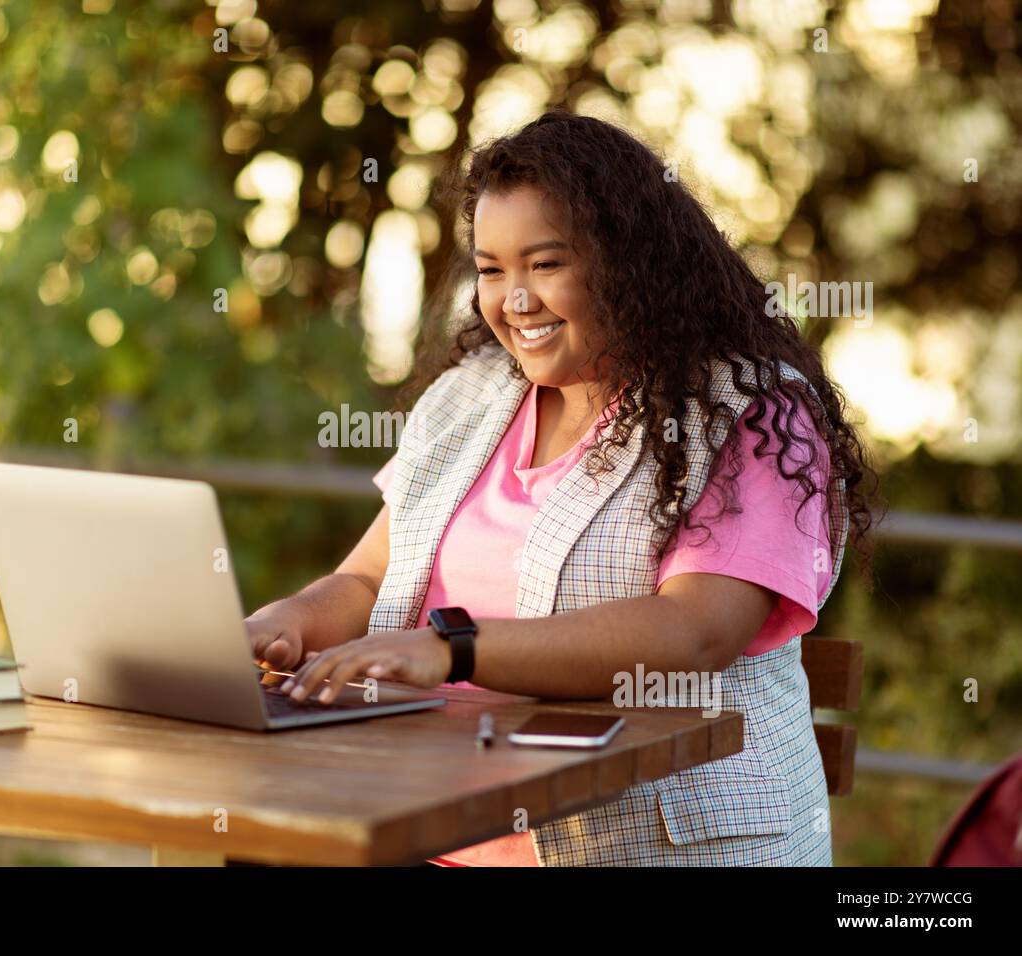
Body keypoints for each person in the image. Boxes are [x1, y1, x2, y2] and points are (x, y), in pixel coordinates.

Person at [244, 110, 878, 866]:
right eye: (491, 268)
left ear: (628, 262)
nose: (515, 300)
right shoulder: (466, 396)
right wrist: (288, 621)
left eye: (545, 264)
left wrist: (451, 650)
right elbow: (368, 575)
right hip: (431, 834)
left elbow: (696, 631)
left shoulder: (746, 413)